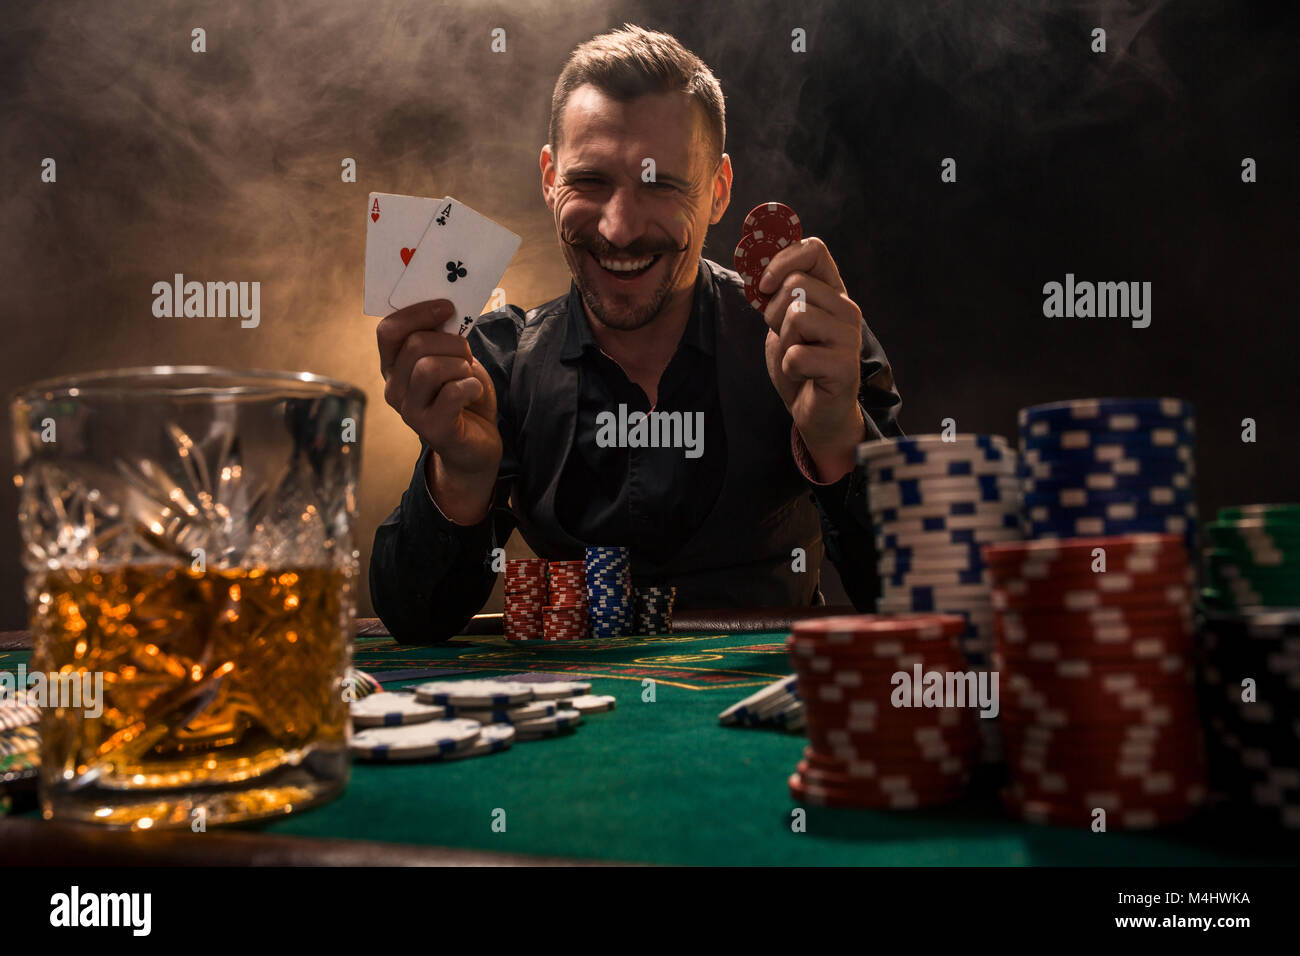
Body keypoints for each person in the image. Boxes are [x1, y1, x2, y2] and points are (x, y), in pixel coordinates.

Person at [371, 25, 902, 644]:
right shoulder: (496, 363)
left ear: (718, 191)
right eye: (590, 182)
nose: (620, 230)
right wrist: (460, 476)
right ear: (549, 180)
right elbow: (413, 619)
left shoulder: (812, 343)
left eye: (661, 184)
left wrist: (838, 441)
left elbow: (913, 599)